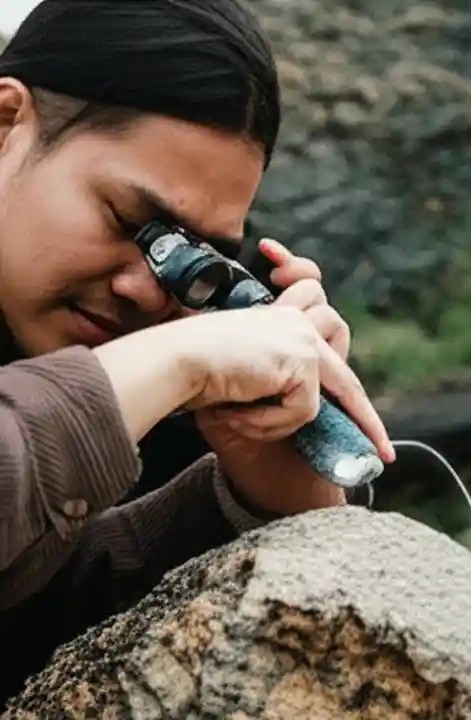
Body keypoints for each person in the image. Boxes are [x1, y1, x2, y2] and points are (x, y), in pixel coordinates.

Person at [0, 0, 396, 697]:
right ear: (7, 125)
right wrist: (174, 362)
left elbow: (38, 641)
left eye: (192, 254)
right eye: (129, 219)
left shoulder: (156, 390)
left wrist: (259, 499)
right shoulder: (153, 363)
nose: (146, 291)